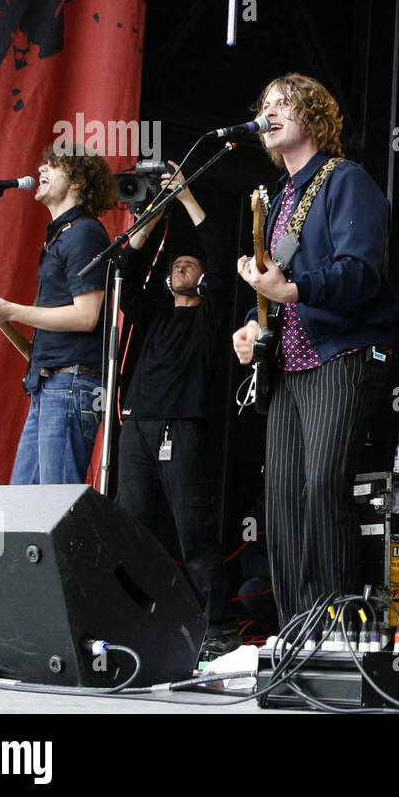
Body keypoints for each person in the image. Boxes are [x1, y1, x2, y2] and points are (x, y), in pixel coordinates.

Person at [232, 73, 399, 626]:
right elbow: (277, 283)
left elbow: (360, 274)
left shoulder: (345, 180)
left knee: (322, 487)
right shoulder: (279, 196)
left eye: (283, 103)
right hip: (287, 364)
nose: (270, 112)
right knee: (281, 502)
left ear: (313, 114)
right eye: (264, 105)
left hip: (341, 356)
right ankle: (294, 630)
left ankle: (331, 629)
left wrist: (293, 290)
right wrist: (250, 325)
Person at [117, 165, 239, 660]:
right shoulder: (156, 313)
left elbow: (225, 258)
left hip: (181, 429)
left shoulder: (209, 315)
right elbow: (126, 269)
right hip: (137, 428)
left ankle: (221, 628)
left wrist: (187, 199)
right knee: (131, 528)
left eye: (189, 264)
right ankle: (128, 619)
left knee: (195, 533)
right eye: (175, 264)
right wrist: (152, 214)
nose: (180, 267)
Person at [0, 144, 115, 485]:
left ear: (79, 180)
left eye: (53, 165)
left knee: (53, 506)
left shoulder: (83, 233)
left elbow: (87, 317)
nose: (41, 170)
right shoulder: (63, 234)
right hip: (52, 382)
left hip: (70, 384)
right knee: (26, 504)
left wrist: (11, 310)